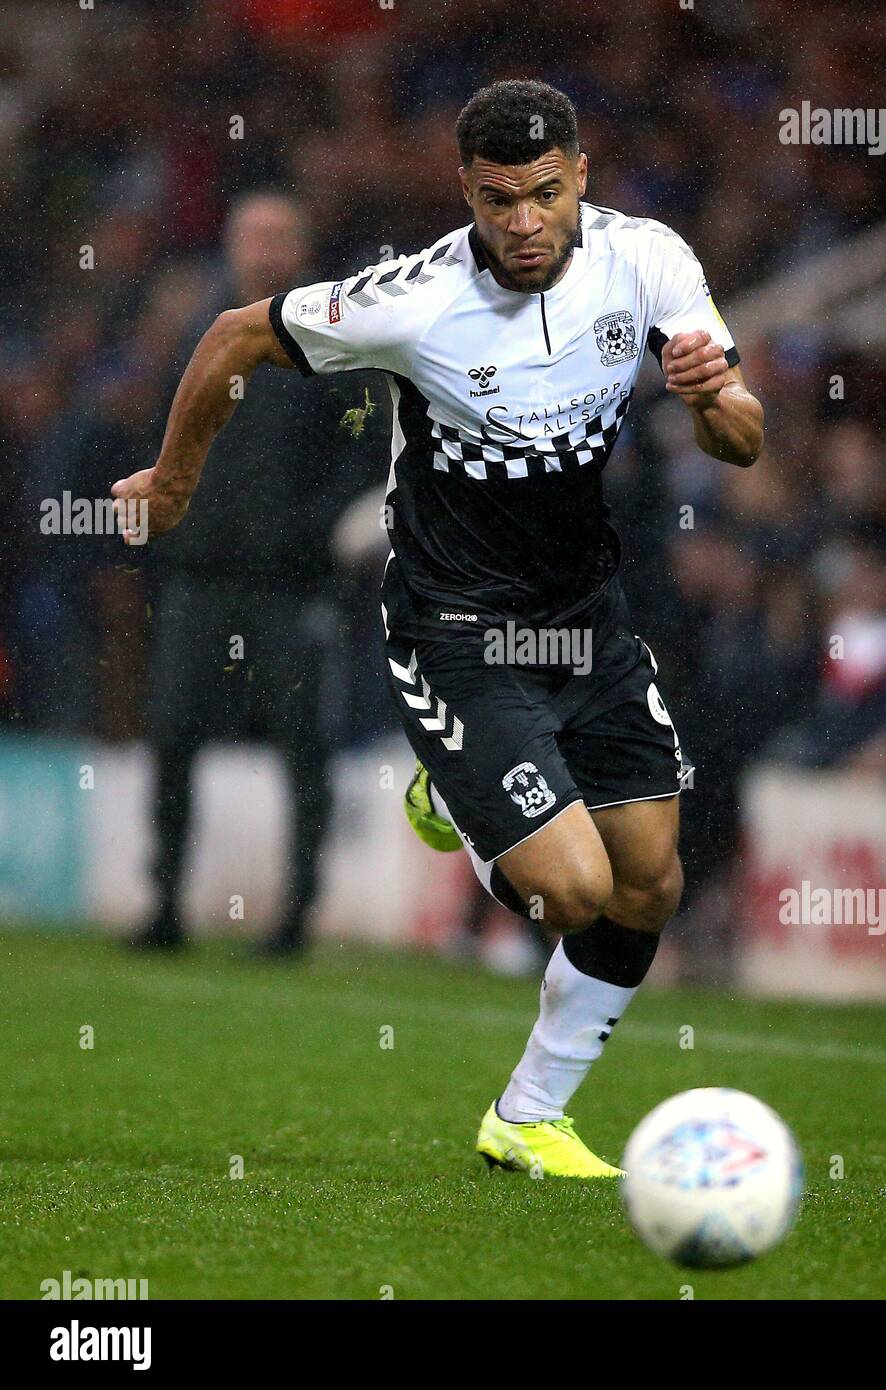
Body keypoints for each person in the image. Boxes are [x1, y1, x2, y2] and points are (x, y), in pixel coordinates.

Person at [112, 81, 763, 1174]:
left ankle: (524, 1115)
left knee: (650, 878)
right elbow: (234, 335)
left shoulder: (649, 260)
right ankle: (456, 792)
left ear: (580, 178)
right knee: (574, 889)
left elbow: (742, 438)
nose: (522, 222)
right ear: (465, 187)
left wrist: (709, 400)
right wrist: (175, 485)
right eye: (499, 198)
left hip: (585, 619)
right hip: (452, 624)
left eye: (545, 194)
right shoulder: (410, 300)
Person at [130, 191, 383, 957]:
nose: (265, 248)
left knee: (304, 746)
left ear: (301, 249)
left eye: (280, 236)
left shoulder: (336, 340)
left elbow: (365, 448)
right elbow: (162, 434)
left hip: (292, 588)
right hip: (199, 579)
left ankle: (296, 915)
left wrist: (316, 537)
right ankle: (164, 904)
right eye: (253, 235)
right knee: (172, 736)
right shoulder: (194, 334)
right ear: (233, 245)